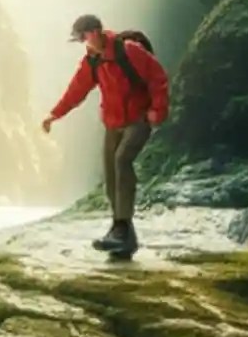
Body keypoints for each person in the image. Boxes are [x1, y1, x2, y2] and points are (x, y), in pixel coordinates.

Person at [42, 14, 170, 256]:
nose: (82, 42)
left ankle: (121, 228)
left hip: (138, 120)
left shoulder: (129, 51)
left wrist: (158, 110)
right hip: (113, 124)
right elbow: (76, 90)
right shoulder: (92, 61)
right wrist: (54, 114)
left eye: (83, 37)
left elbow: (157, 77)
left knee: (122, 160)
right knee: (111, 172)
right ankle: (122, 232)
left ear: (95, 31)